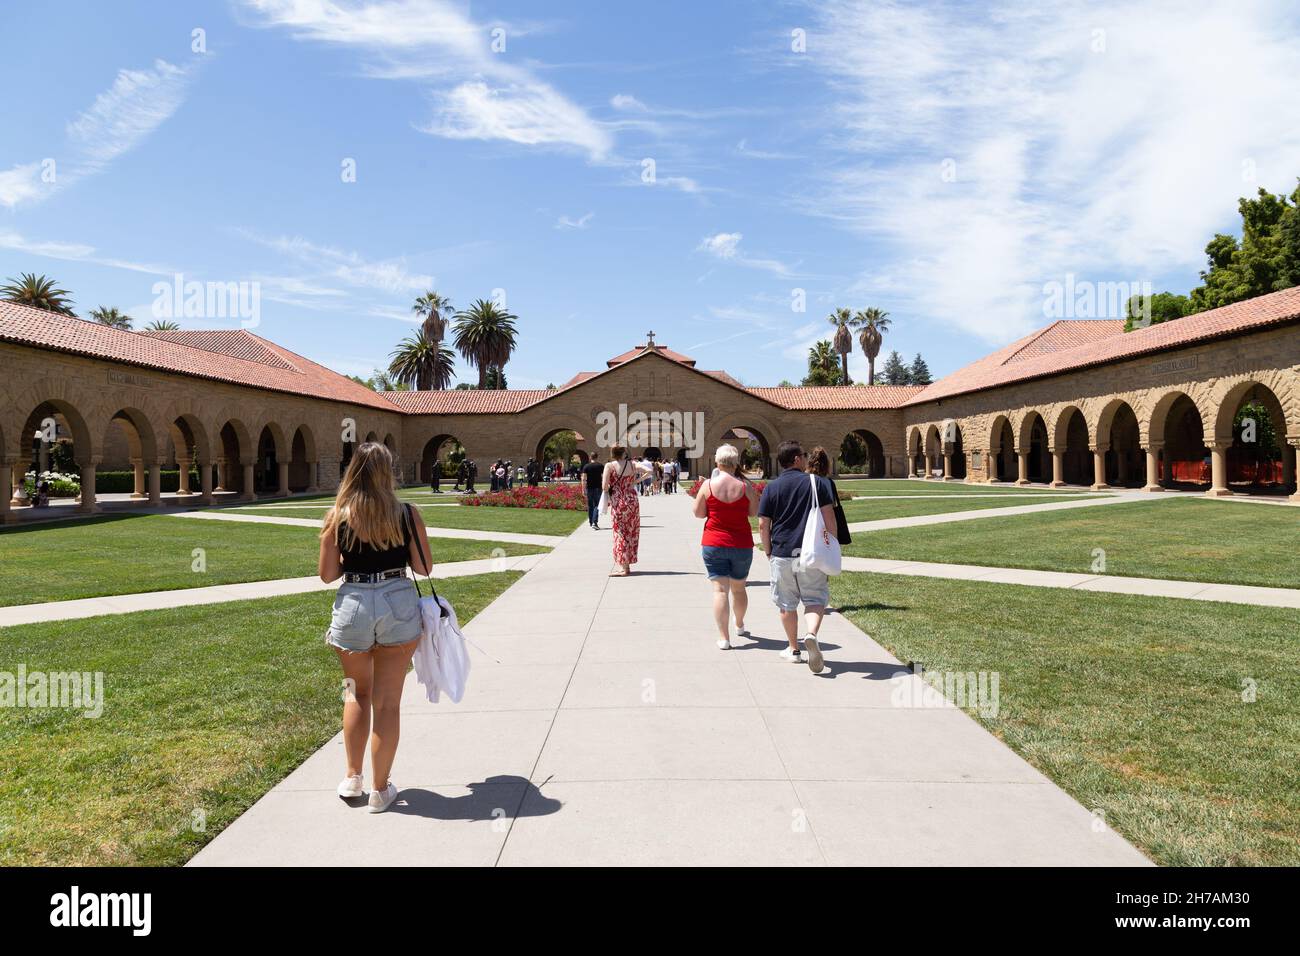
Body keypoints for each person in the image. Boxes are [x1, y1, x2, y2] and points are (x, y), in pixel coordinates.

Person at [318, 442, 433, 813]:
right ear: (388, 471)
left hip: (353, 604)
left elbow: (327, 574)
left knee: (355, 693)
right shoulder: (406, 513)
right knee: (387, 703)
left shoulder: (338, 515)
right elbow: (424, 568)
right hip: (397, 601)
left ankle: (353, 778)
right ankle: (381, 790)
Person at [757, 440, 837, 672]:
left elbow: (763, 524)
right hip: (810, 554)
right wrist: (831, 543)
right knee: (814, 598)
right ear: (796, 460)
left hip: (783, 552)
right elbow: (829, 517)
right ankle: (810, 634)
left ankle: (793, 649)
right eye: (802, 454)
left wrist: (768, 550)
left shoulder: (771, 487)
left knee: (786, 604)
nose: (805, 457)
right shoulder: (816, 483)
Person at [693, 444, 759, 649]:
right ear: (736, 462)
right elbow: (753, 512)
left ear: (717, 462)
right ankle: (739, 624)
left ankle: (724, 638)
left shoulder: (708, 486)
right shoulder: (745, 486)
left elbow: (698, 513)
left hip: (714, 542)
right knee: (739, 589)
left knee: (720, 591)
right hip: (741, 543)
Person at [603, 445, 650, 576]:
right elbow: (649, 470)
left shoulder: (610, 466)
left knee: (620, 532)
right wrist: (636, 480)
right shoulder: (632, 464)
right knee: (631, 531)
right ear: (624, 452)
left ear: (612, 453)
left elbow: (604, 486)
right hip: (632, 500)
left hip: (619, 501)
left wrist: (611, 489)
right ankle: (627, 565)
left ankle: (623, 568)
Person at [806, 446, 851, 546]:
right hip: (826, 521)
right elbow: (832, 504)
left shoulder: (806, 480)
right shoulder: (828, 482)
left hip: (809, 520)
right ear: (826, 464)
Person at [581, 452, 604, 530]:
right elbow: (603, 477)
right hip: (598, 488)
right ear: (597, 457)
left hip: (589, 488)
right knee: (597, 505)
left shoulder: (586, 466)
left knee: (590, 505)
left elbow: (584, 479)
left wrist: (583, 489)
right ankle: (594, 522)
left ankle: (591, 522)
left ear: (590, 457)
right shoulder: (601, 466)